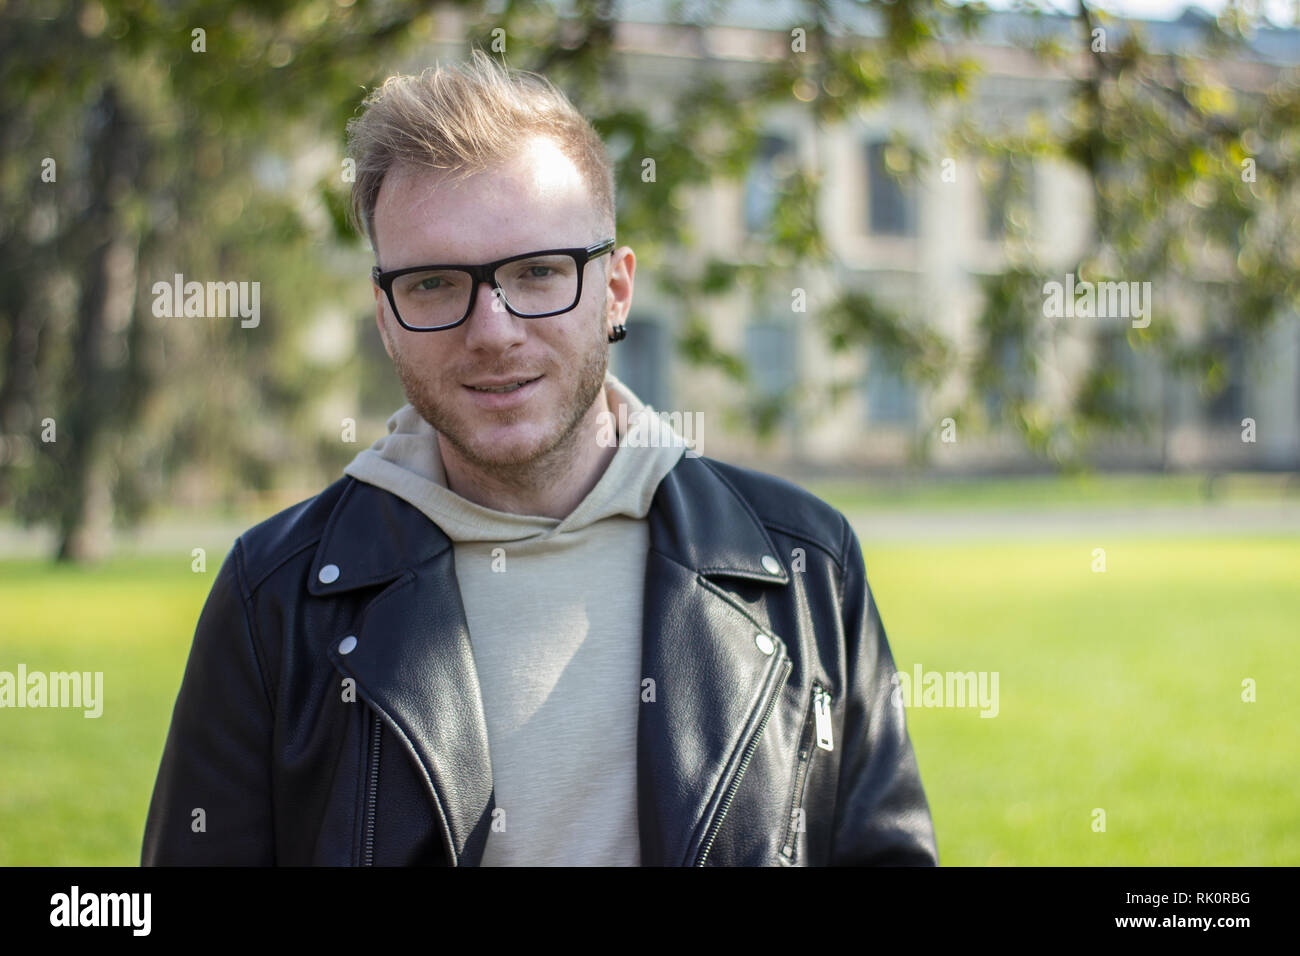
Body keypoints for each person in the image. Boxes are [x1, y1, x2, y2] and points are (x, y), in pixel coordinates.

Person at [141, 50, 938, 867]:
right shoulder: (273, 596)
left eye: (538, 272)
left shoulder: (806, 566)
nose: (493, 329)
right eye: (434, 284)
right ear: (384, 315)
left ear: (616, 292)